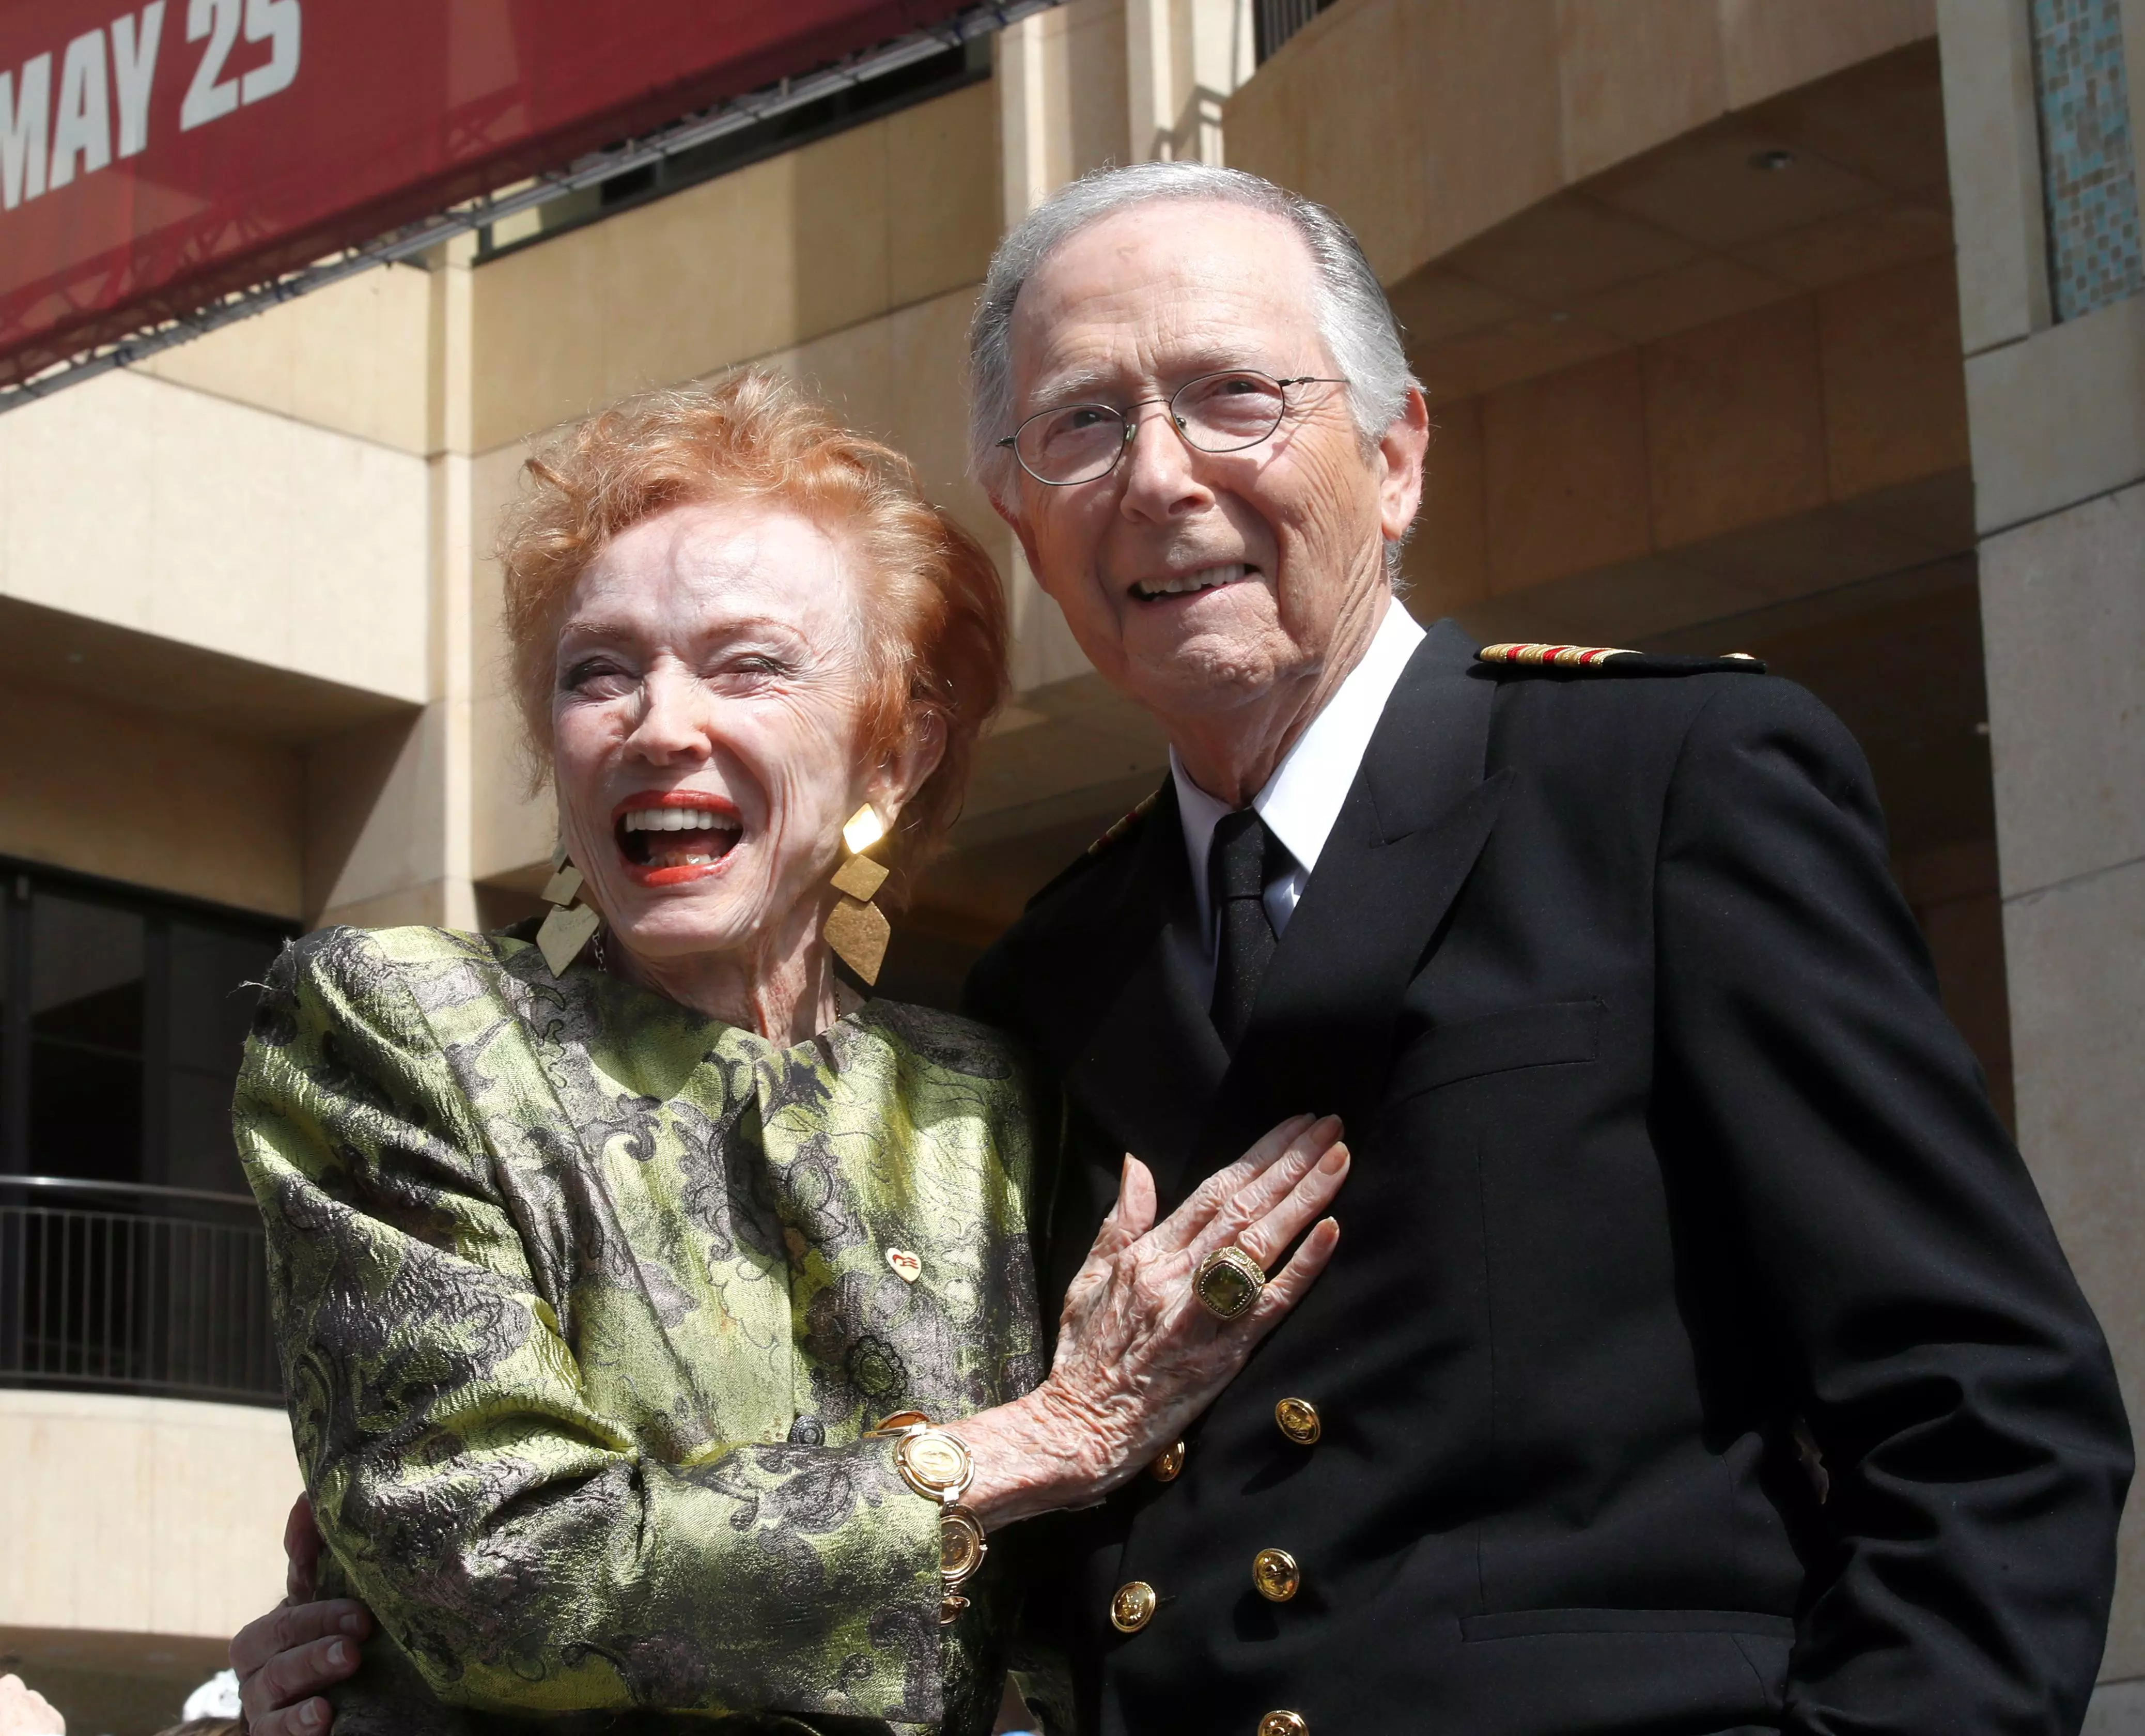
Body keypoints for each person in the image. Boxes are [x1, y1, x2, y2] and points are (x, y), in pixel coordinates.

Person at [244, 161, 2132, 1736]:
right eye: (1083, 423)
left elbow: (1984, 1413)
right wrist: (393, 1655)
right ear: (1029, 522)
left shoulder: (1665, 782)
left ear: (1396, 455)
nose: (1159, 476)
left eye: (1238, 395)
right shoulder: (1055, 981)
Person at [227, 369, 1348, 1736]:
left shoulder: (995, 1100)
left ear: (897, 750)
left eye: (746, 663)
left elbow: (1089, 1590)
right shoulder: (411, 1025)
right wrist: (1038, 1441)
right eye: (599, 672)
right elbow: (498, 1570)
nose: (659, 724)